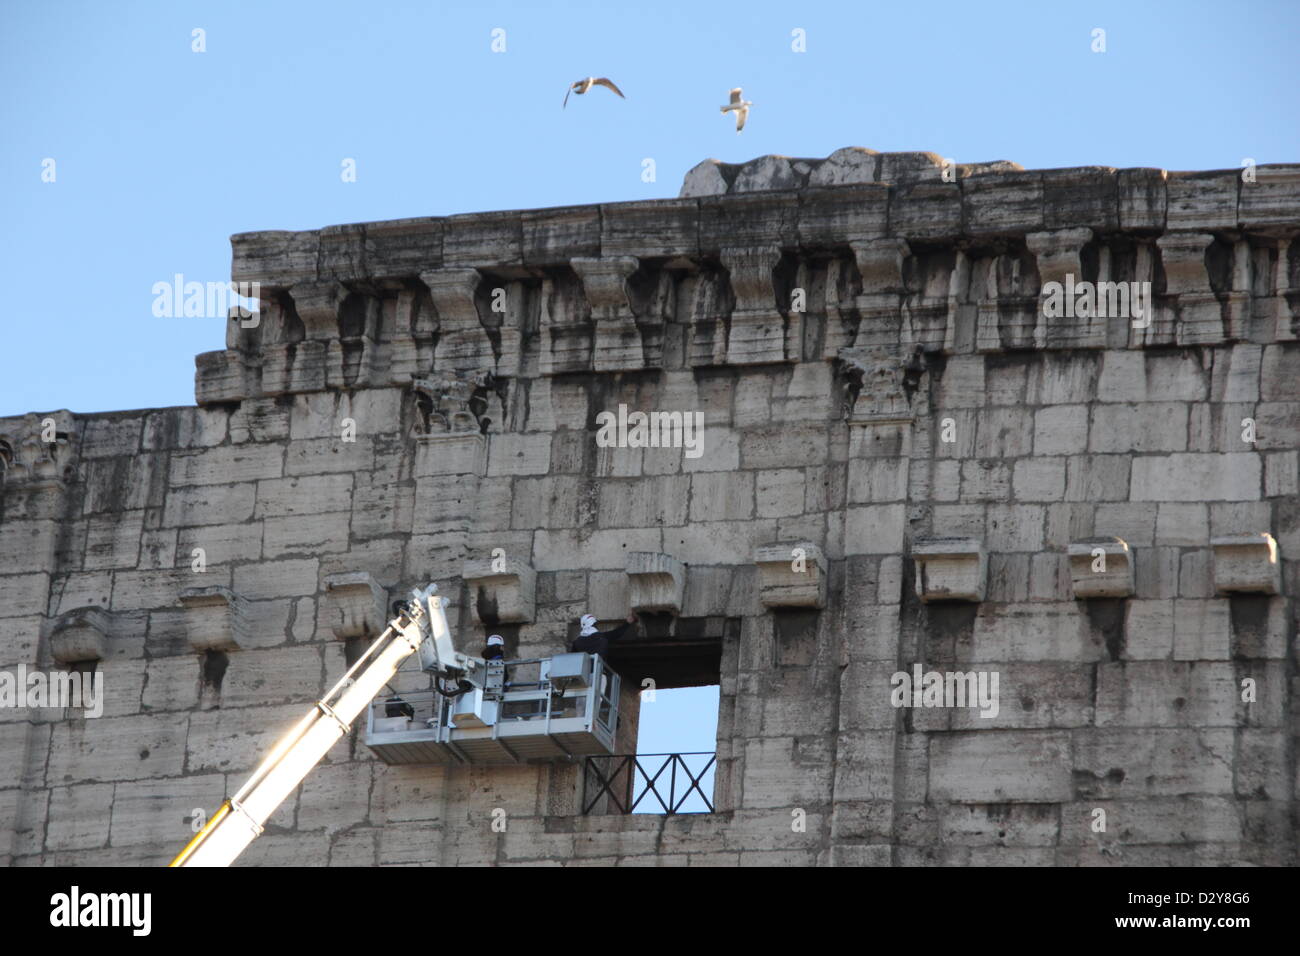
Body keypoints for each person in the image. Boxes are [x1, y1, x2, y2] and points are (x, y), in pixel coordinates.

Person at [570, 611, 637, 657]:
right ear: (594, 624)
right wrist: (627, 623)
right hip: (599, 674)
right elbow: (617, 633)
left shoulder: (576, 643)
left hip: (583, 674)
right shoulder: (602, 637)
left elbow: (572, 659)